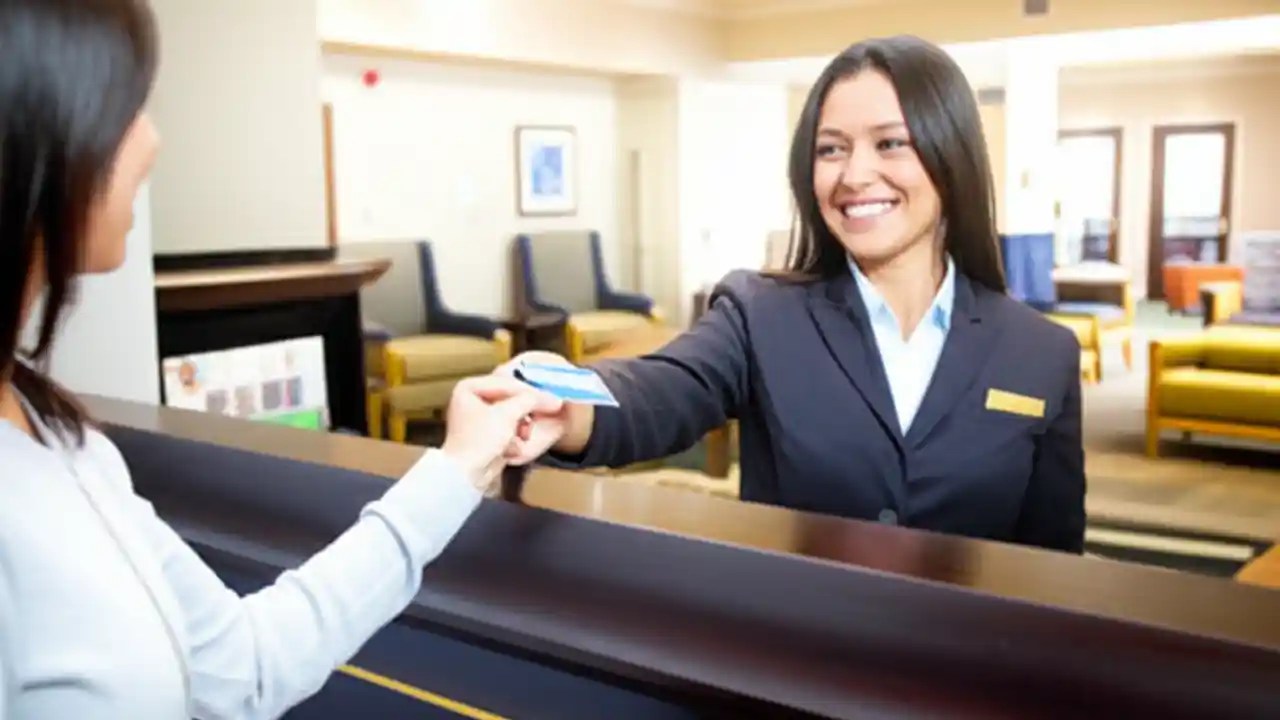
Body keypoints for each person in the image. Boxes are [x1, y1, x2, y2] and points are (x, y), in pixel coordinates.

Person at [0, 1, 562, 718]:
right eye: (126, 107)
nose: (152, 142)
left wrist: (456, 470)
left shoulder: (64, 441)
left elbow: (246, 668)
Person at [504, 36, 1086, 553]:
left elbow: (1056, 567)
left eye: (890, 143)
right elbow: (658, 389)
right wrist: (556, 393)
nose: (854, 175)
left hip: (966, 643)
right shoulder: (760, 314)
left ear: (951, 156)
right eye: (831, 149)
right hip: (796, 634)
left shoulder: (1040, 352)